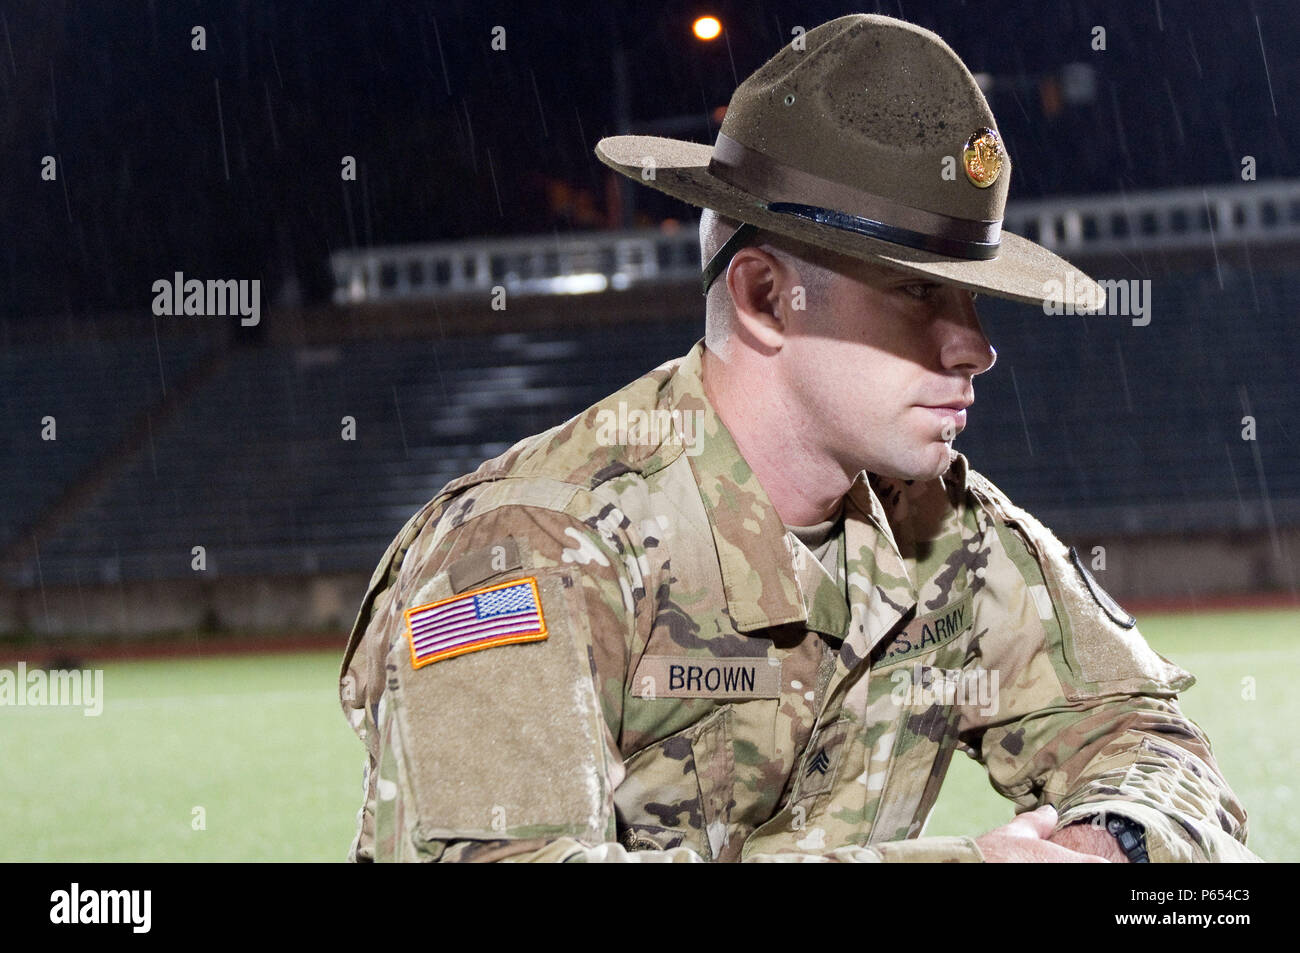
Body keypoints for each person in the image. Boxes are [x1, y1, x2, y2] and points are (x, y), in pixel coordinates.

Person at [338, 13, 1257, 862]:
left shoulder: (945, 535)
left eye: (971, 294)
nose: (976, 345)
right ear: (766, 298)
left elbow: (1147, 739)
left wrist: (1104, 847)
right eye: (917, 291)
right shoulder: (533, 547)